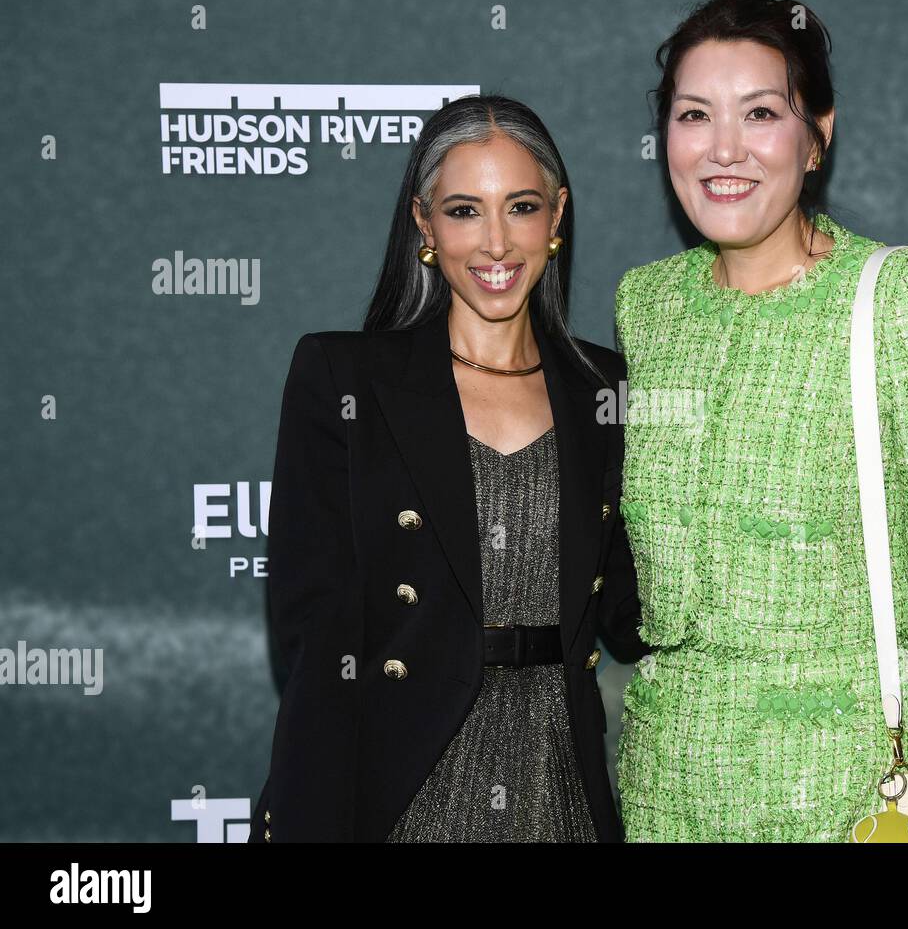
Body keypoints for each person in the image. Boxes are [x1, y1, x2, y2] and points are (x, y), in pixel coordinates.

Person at [613, 0, 908, 841]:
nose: (724, 148)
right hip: (665, 799)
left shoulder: (907, 298)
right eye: (695, 115)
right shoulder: (648, 306)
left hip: (846, 803)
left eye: (761, 113)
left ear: (818, 135)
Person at [250, 94, 650, 843]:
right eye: (465, 210)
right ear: (424, 225)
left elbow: (638, 613)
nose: (495, 243)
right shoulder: (345, 379)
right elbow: (317, 641)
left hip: (557, 789)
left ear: (557, 217)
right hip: (403, 789)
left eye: (521, 206)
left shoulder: (612, 393)